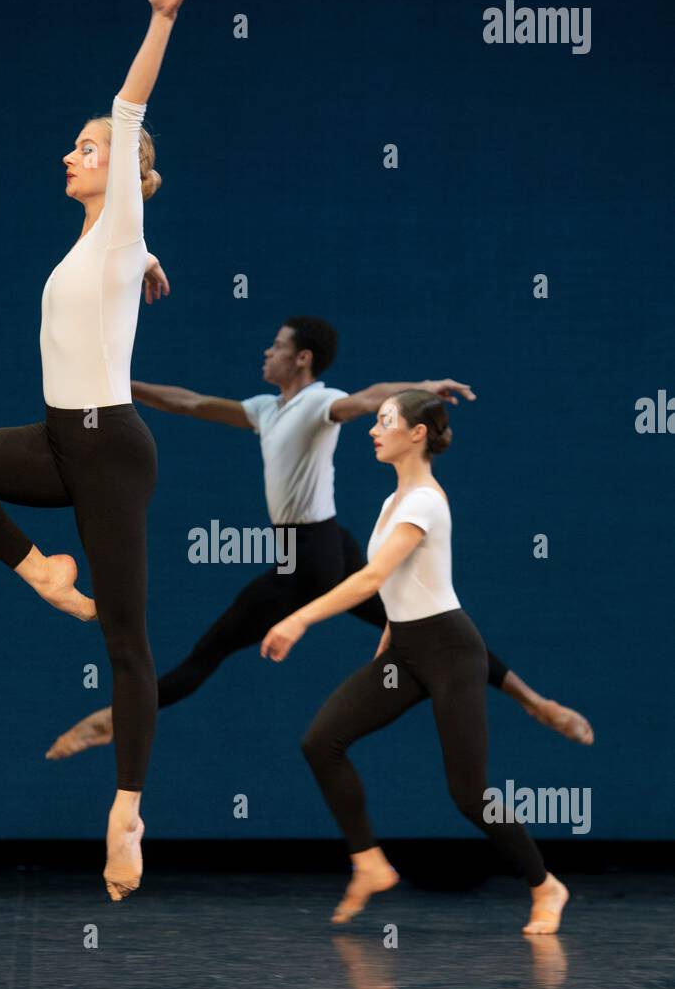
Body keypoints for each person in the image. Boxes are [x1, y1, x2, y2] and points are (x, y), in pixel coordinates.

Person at [0, 0, 198, 901]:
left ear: (118, 172)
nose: (71, 155)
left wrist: (160, 17)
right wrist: (144, 262)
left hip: (111, 450)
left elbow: (129, 108)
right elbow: (118, 269)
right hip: (60, 437)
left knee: (128, 644)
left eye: (88, 149)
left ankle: (126, 814)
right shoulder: (100, 249)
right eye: (76, 148)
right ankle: (42, 573)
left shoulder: (118, 224)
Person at [47, 319, 592, 758]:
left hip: (312, 558)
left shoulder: (318, 403)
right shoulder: (266, 410)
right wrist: (124, 388)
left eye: (278, 346)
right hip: (321, 549)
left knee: (210, 652)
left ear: (302, 358)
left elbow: (365, 399)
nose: (267, 352)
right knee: (431, 630)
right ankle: (535, 701)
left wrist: (419, 389)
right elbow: (188, 402)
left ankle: (114, 721)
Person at [260, 389, 571, 934]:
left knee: (469, 794)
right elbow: (398, 588)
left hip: (451, 652)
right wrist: (387, 636)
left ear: (417, 433)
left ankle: (546, 885)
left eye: (384, 421)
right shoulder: (391, 502)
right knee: (321, 742)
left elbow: (371, 578)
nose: (373, 430)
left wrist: (298, 619)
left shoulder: (425, 500)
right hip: (405, 650)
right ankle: (370, 863)